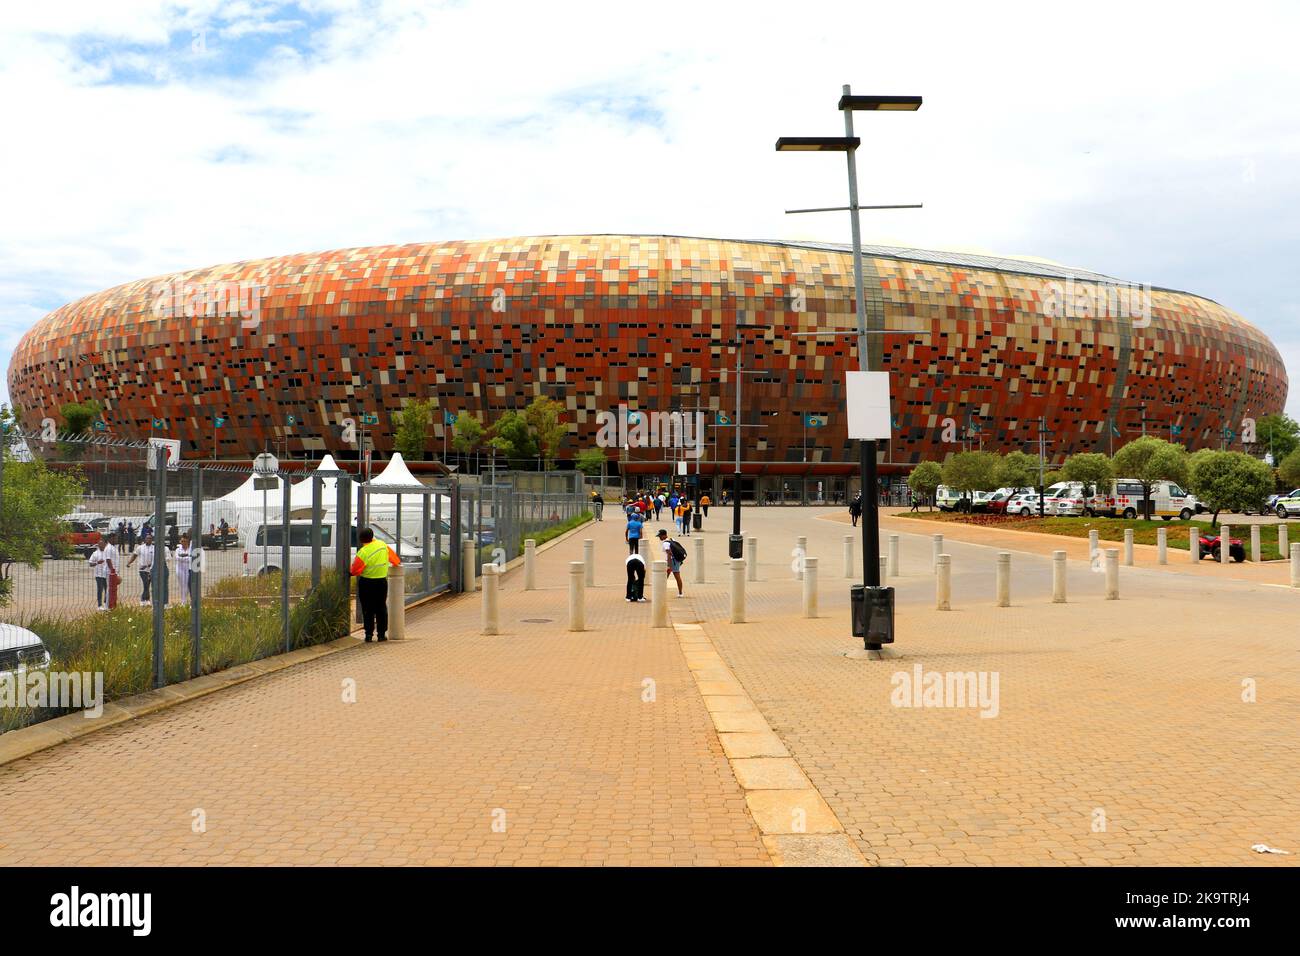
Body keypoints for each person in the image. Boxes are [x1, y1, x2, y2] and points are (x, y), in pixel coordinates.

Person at [350, 527, 400, 642]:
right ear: (372, 537)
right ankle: (381, 635)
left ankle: (368, 635)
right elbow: (396, 561)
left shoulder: (363, 552)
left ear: (361, 539)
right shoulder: (383, 545)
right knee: (381, 608)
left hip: (367, 583)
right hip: (381, 582)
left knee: (368, 609)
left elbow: (355, 571)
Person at [88, 538, 118, 610]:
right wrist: (97, 562)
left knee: (107, 589)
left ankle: (105, 603)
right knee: (100, 590)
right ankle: (99, 605)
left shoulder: (107, 552)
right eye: (99, 544)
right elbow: (90, 563)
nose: (100, 545)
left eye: (102, 543)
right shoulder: (95, 553)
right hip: (99, 575)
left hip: (106, 574)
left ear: (105, 544)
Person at [656, 529, 685, 597]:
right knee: (666, 576)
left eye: (660, 536)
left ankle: (680, 593)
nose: (659, 537)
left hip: (672, 561)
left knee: (676, 576)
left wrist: (669, 566)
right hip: (676, 560)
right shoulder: (672, 539)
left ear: (664, 535)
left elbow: (669, 554)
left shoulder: (665, 543)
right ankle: (679, 592)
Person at [175, 533, 193, 604]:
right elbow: (177, 558)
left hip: (188, 569)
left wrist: (183, 557)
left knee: (188, 585)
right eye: (182, 541)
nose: (183, 543)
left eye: (185, 541)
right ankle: (183, 601)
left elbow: (191, 559)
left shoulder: (190, 549)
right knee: (182, 585)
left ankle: (188, 600)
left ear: (187, 541)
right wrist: (186, 557)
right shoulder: (178, 549)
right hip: (180, 569)